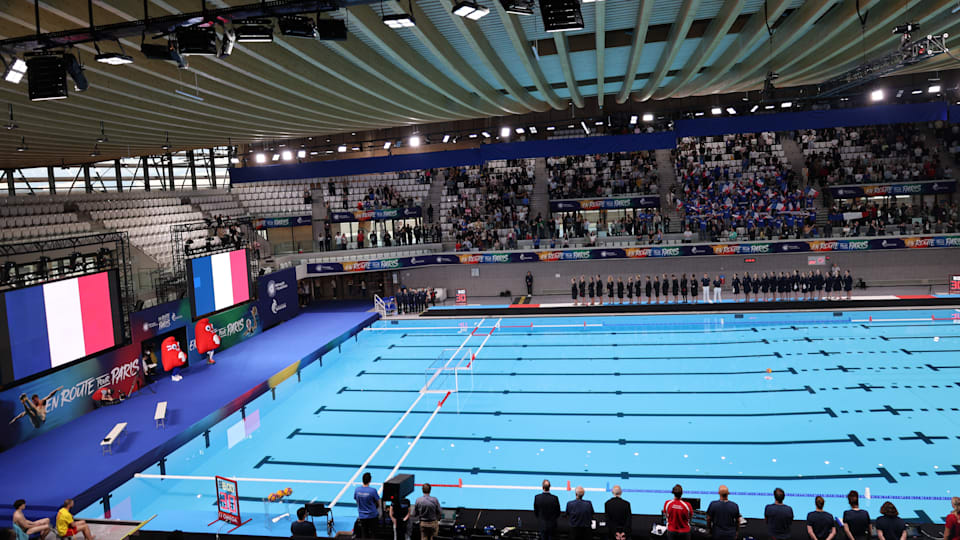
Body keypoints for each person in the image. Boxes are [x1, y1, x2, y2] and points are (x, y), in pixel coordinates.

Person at [353, 472, 380, 538]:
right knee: (374, 534)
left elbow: (357, 501)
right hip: (372, 516)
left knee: (364, 534)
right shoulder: (373, 491)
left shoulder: (357, 490)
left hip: (362, 516)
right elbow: (378, 503)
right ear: (370, 480)